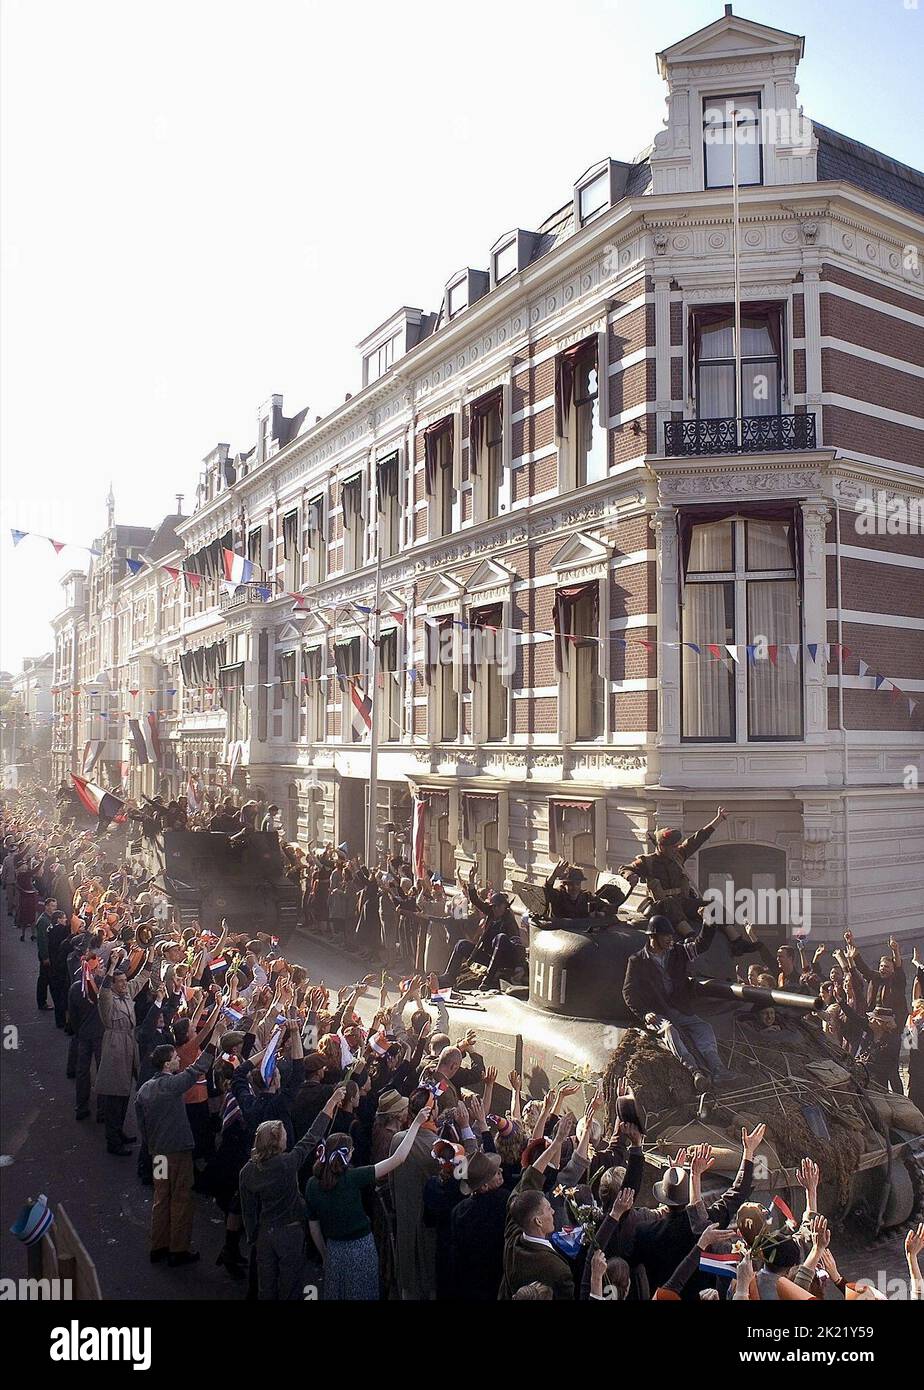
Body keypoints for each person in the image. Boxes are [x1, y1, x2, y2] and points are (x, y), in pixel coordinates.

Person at [305, 1092, 436, 1300]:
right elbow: (398, 1158)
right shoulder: (353, 1177)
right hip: (360, 1247)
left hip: (334, 1248)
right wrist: (417, 1124)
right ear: (346, 1155)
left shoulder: (312, 1185)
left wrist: (324, 1254)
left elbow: (314, 1226)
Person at [239, 1087, 345, 1300]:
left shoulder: (247, 1171)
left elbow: (247, 1208)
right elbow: (312, 1135)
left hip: (265, 1232)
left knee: (265, 1286)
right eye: (284, 1135)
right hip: (289, 1231)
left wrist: (252, 1235)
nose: (287, 1135)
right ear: (277, 1142)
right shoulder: (287, 1163)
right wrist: (332, 1102)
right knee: (291, 1284)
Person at [135, 1028, 220, 1267]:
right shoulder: (172, 1085)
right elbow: (197, 1068)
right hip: (178, 1151)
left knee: (161, 1197)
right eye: (174, 1058)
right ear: (166, 1064)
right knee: (181, 1197)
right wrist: (215, 1038)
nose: (178, 1060)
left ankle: (158, 1245)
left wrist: (152, 1145)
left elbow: (141, 1124)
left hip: (158, 1153)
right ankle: (178, 1248)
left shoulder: (144, 1089)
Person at [622, 913, 729, 1089]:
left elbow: (701, 945)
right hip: (658, 1013)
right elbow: (629, 992)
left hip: (680, 1008)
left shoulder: (678, 952)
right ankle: (694, 1071)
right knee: (669, 1030)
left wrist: (708, 923)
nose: (669, 939)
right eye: (665, 935)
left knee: (703, 1028)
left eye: (670, 935)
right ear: (653, 937)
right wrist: (645, 1013)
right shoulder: (637, 961)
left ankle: (718, 1069)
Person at [621, 806, 727, 934]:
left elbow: (698, 838)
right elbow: (625, 868)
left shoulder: (679, 855)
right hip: (662, 907)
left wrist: (718, 819)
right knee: (671, 904)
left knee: (713, 905)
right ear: (661, 847)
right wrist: (630, 876)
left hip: (683, 903)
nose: (677, 848)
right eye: (673, 847)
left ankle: (736, 939)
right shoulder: (647, 862)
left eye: (677, 845)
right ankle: (690, 936)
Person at [96, 946, 151, 1155]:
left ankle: (119, 1132)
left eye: (124, 981)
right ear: (113, 984)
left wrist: (150, 954)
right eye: (119, 982)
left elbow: (143, 977)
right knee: (114, 1096)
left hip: (129, 1044)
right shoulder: (108, 999)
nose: (124, 984)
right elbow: (103, 991)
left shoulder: (127, 994)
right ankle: (113, 1141)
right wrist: (111, 966)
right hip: (115, 1047)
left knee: (125, 1093)